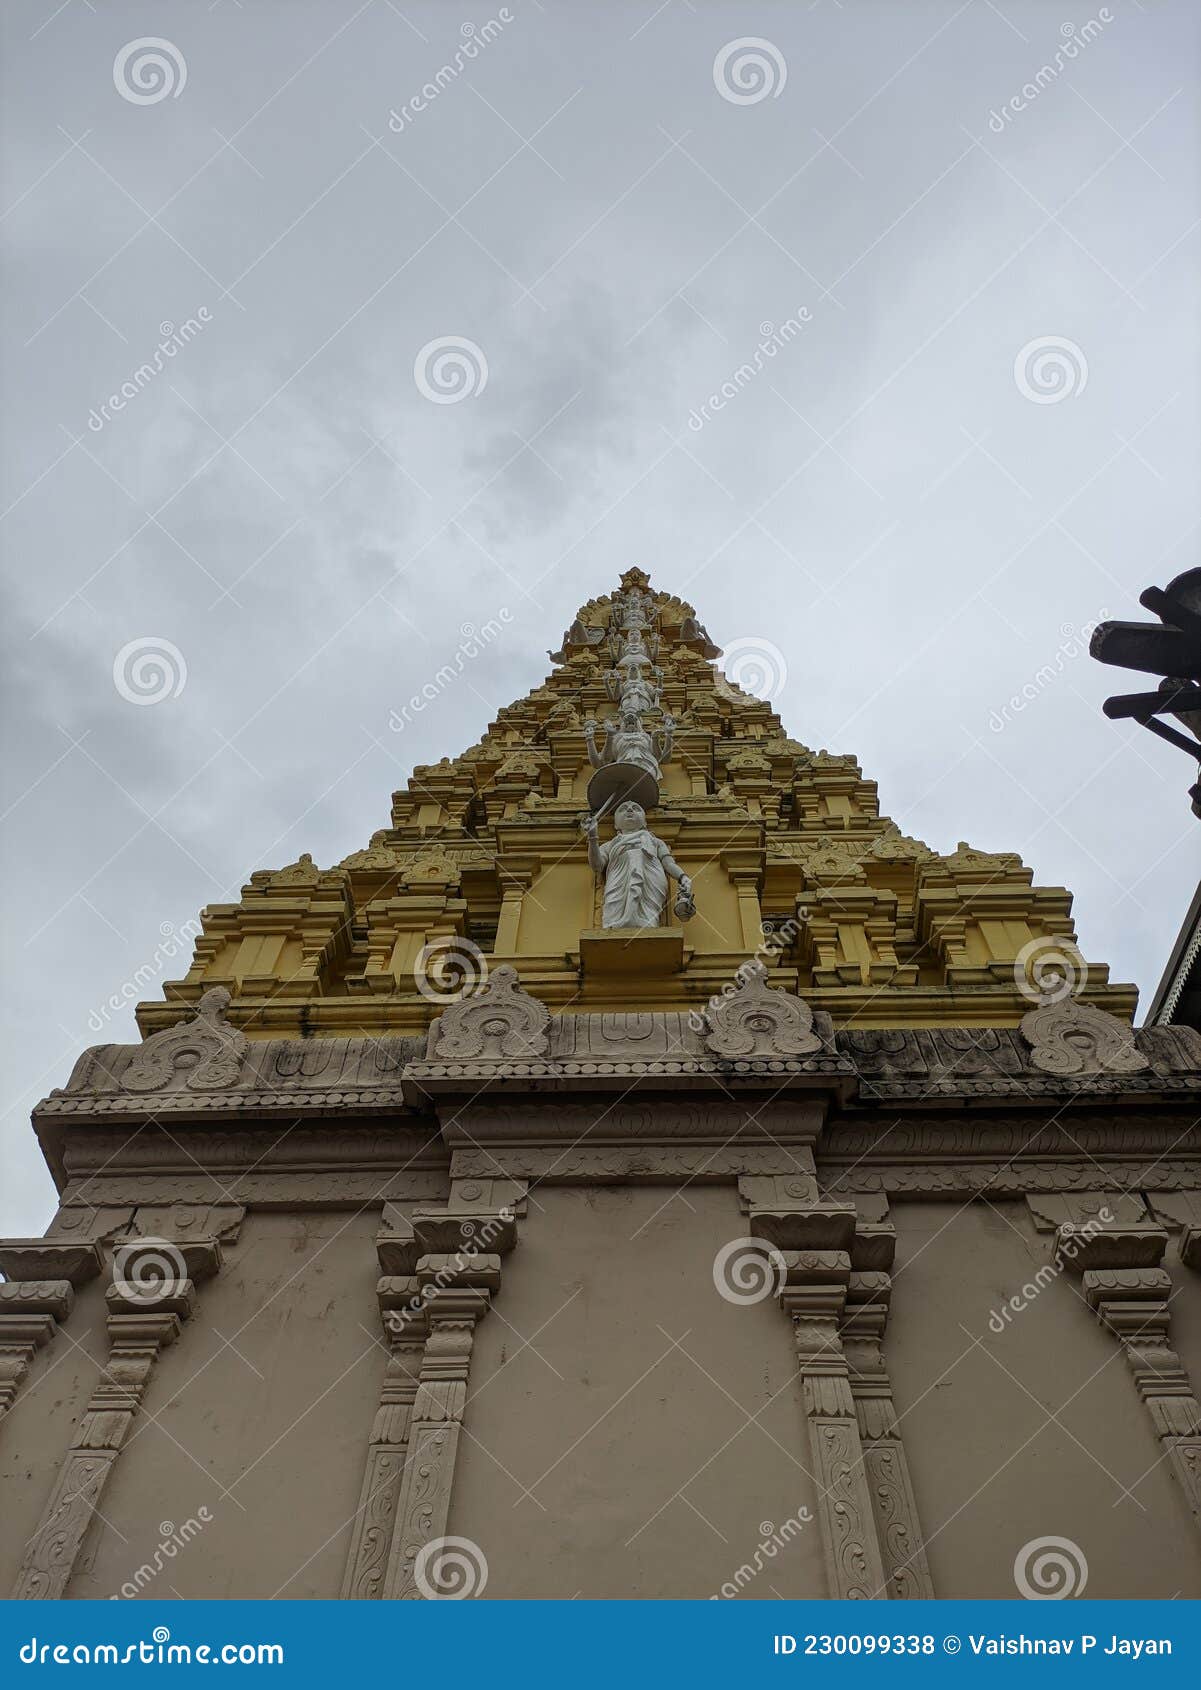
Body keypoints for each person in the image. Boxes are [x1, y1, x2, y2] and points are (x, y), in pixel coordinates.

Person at [582, 801, 692, 929]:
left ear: (644, 822)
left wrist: (683, 877)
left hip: (650, 878)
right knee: (613, 907)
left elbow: (668, 863)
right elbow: (597, 866)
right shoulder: (610, 844)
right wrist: (592, 836)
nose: (629, 810)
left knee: (648, 916)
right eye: (623, 809)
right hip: (618, 879)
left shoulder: (655, 842)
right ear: (616, 824)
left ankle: (646, 921)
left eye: (636, 808)